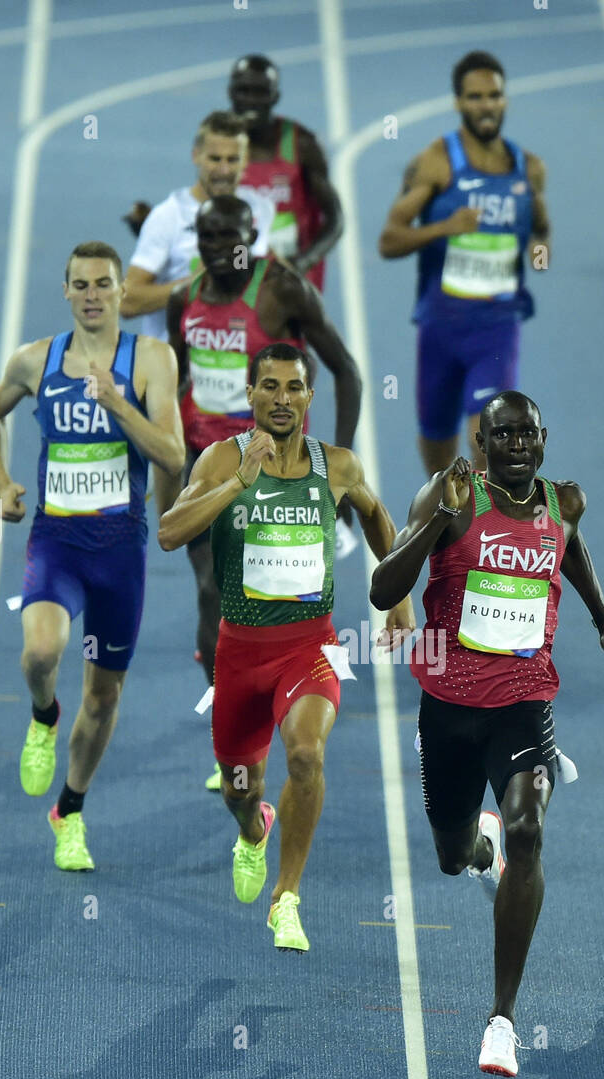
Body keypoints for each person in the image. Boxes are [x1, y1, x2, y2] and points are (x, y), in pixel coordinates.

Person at [369, 392, 604, 1076]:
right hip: (449, 706)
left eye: (528, 433)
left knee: (529, 830)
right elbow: (380, 586)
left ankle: (501, 1020)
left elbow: (570, 553)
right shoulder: (449, 494)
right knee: (453, 855)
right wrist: (436, 525)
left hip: (523, 699)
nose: (518, 444)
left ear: (542, 440)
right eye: (503, 435)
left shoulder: (563, 503)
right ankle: (479, 854)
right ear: (483, 444)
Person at [158, 342, 414, 952]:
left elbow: (379, 517)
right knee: (239, 790)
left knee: (306, 756)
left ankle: (288, 896)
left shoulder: (338, 467)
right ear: (250, 396)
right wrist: (238, 484)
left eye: (293, 387)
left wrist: (398, 591)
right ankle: (253, 832)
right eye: (268, 387)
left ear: (309, 396)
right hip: (241, 655)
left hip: (311, 648)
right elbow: (169, 531)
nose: (281, 398)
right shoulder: (222, 460)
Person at [0, 242, 185, 869]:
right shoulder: (35, 360)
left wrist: (118, 404)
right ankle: (43, 714)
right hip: (57, 543)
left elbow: (173, 455)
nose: (92, 294)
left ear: (122, 292)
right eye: (81, 285)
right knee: (41, 650)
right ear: (65, 292)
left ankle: (69, 810)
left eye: (104, 284)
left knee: (103, 698)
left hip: (120, 551)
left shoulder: (150, 360)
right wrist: (1, 481)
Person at [167, 195, 362, 788]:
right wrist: (172, 457)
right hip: (214, 466)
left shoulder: (284, 291)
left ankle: (282, 701)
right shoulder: (185, 297)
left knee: (283, 590)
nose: (219, 249)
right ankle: (232, 733)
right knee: (210, 590)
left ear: (254, 236)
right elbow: (180, 379)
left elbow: (347, 372)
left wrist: (337, 478)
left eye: (231, 237)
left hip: (285, 470)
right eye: (206, 237)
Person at [378, 50, 550, 476]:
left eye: (494, 95)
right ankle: (447, 530)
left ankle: (482, 540)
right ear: (458, 102)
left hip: (496, 327)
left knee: (486, 447)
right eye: (475, 97)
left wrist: (539, 254)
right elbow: (389, 240)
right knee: (440, 471)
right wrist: (443, 228)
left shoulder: (529, 169)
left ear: (505, 99)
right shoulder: (435, 163)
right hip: (440, 327)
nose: (486, 105)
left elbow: (541, 229)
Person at [121, 111, 275, 345]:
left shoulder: (258, 210)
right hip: (173, 365)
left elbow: (247, 268)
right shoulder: (168, 216)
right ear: (196, 156)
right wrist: (197, 282)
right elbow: (127, 302)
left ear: (245, 161)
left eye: (232, 159)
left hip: (230, 358)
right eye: (215, 159)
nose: (224, 170)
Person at [227, 53, 344, 291]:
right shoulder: (220, 144)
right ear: (231, 93)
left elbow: (335, 219)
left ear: (275, 96)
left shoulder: (301, 145)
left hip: (291, 281)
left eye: (260, 92)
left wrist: (303, 263)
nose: (251, 100)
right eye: (244, 90)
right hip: (238, 274)